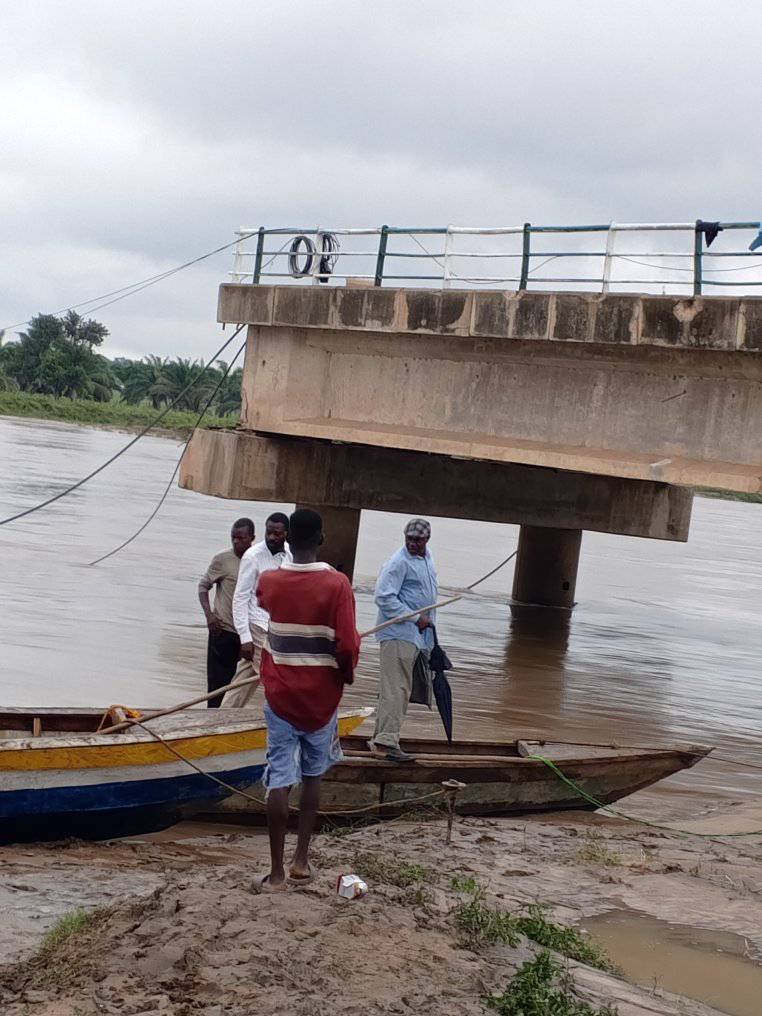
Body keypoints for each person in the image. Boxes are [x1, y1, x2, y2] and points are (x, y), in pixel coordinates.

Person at [256, 508, 360, 891]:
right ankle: (301, 861)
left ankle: (277, 874)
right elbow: (347, 645)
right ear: (320, 540)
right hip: (321, 700)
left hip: (280, 694)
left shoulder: (270, 580)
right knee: (313, 775)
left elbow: (263, 601)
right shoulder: (338, 585)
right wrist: (344, 676)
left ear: (286, 540)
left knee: (279, 778)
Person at [369, 518, 437, 762]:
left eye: (417, 540)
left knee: (398, 689)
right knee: (395, 689)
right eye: (409, 539)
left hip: (415, 637)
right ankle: (386, 743)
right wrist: (416, 617)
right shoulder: (399, 562)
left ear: (426, 540)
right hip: (398, 634)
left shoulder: (427, 559)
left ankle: (381, 740)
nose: (412, 544)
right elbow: (383, 597)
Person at [223, 512, 292, 707]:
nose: (271, 537)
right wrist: (244, 637)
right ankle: (287, 719)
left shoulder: (289, 554)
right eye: (269, 532)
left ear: (286, 533)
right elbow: (240, 597)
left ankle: (223, 714)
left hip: (277, 626)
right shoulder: (252, 557)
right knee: (278, 677)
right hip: (258, 625)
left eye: (277, 534)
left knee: (246, 675)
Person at [198, 518, 255, 707]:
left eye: (241, 538)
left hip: (248, 635)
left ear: (252, 539)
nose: (236, 542)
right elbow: (203, 586)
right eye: (233, 538)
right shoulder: (222, 560)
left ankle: (230, 722)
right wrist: (209, 616)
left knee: (239, 686)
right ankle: (211, 723)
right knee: (216, 685)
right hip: (223, 631)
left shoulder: (257, 560)